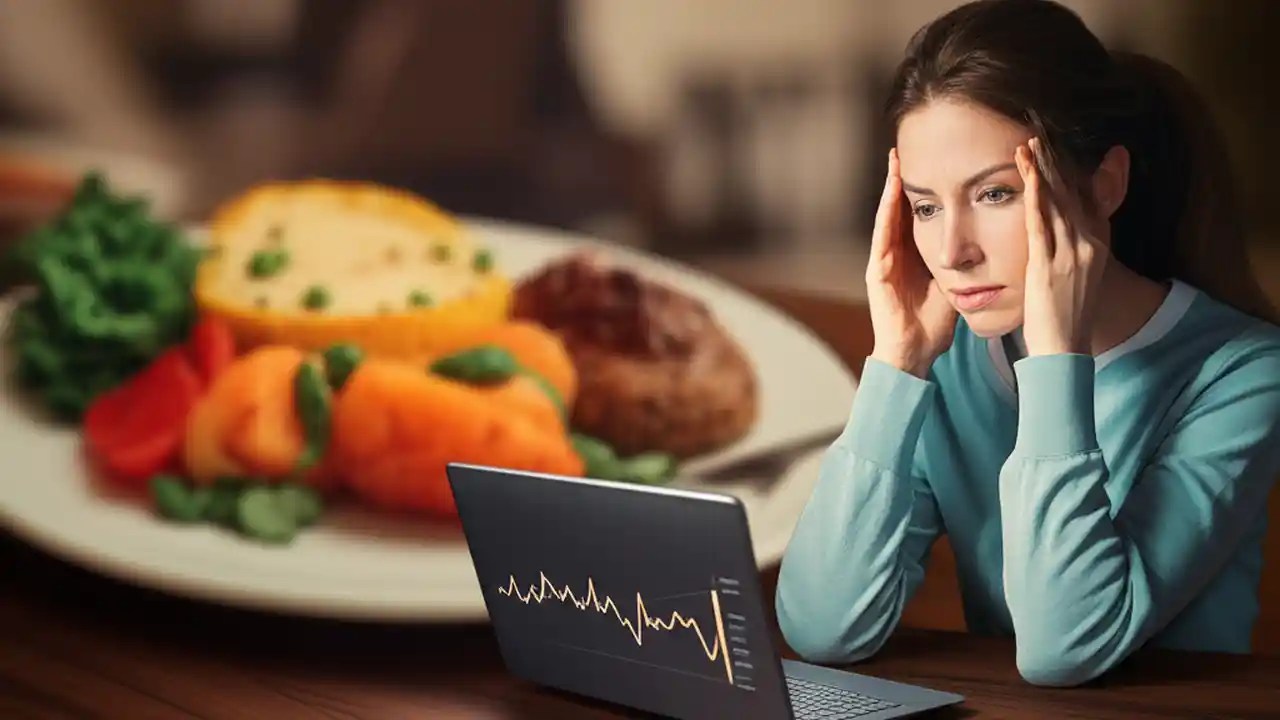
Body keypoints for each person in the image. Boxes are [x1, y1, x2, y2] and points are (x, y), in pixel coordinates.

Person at [774, 0, 1280, 688]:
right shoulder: (949, 365)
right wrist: (896, 365)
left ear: (1105, 186)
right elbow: (822, 627)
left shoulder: (1244, 375)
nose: (951, 251)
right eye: (925, 206)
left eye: (994, 194)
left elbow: (1064, 648)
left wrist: (1055, 367)